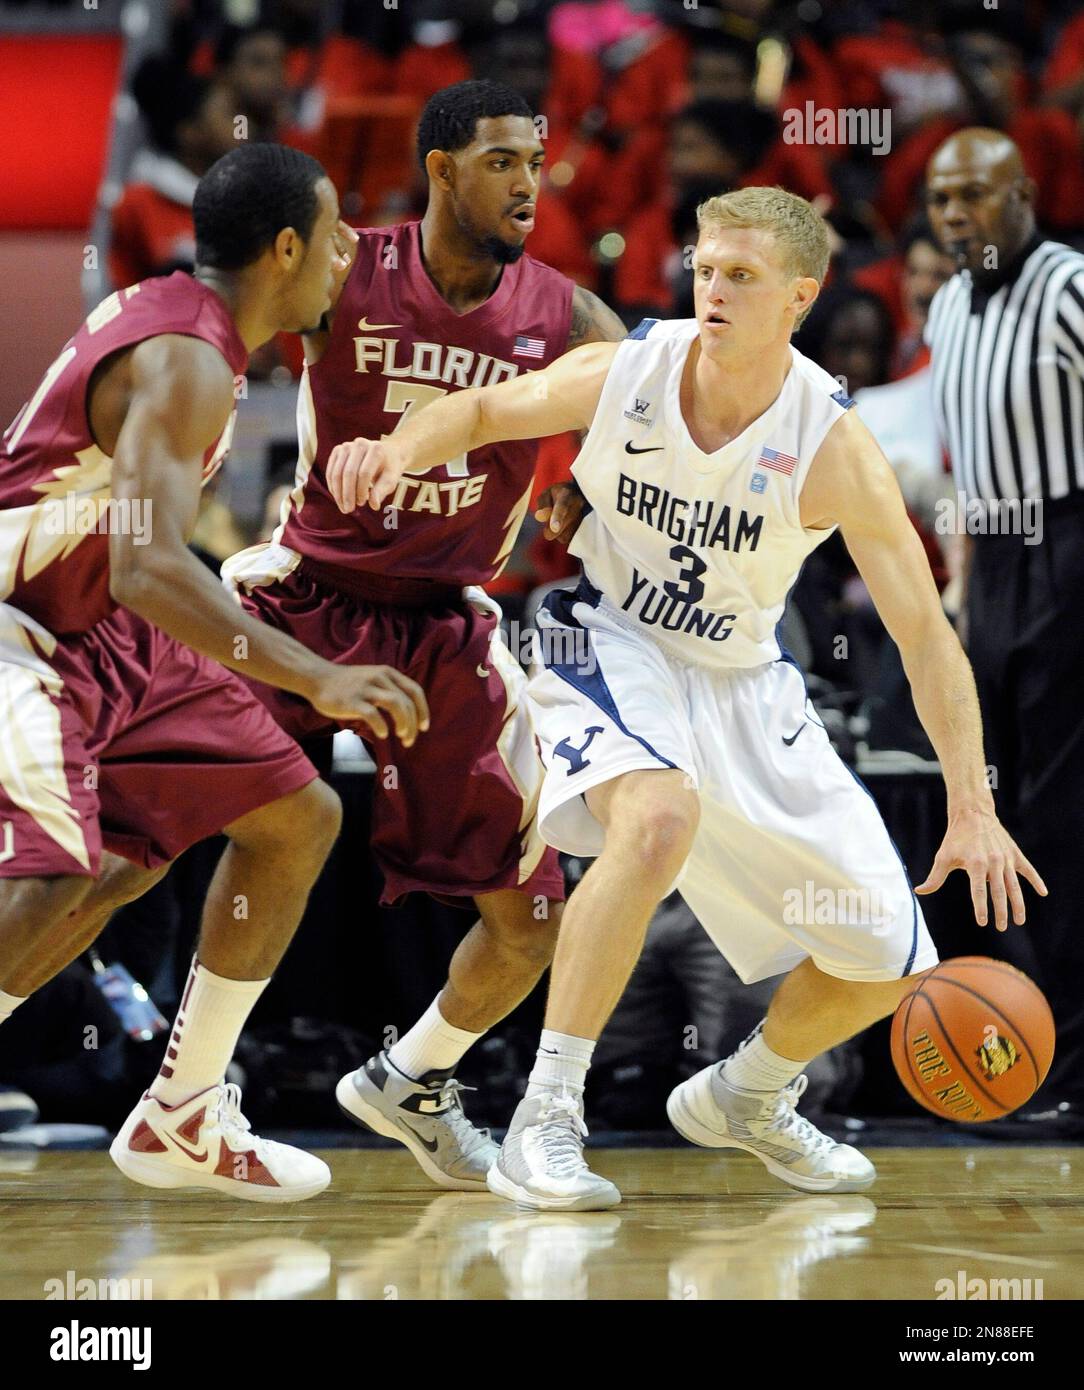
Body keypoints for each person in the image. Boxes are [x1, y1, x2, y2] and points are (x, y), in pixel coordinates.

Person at [326, 185, 1046, 1210]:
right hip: (605, 636)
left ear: (799, 297)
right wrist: (397, 449)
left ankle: (746, 1095)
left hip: (742, 678)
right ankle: (546, 1115)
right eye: (705, 268)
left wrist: (970, 805)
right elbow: (484, 409)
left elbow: (927, 637)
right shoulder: (633, 369)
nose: (712, 289)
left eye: (740, 276)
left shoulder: (832, 445)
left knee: (886, 954)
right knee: (657, 815)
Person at [0, 143, 427, 1202]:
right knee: (57, 869)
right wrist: (315, 673)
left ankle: (181, 1112)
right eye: (334, 237)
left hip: (104, 622)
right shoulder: (185, 357)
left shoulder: (196, 323)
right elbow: (150, 564)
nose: (346, 258)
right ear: (287, 246)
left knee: (290, 816)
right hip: (23, 620)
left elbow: (136, 565)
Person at [219, 80, 625, 1190]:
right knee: (141, 822)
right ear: (441, 170)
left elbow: (647, 399)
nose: (529, 185)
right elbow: (217, 324)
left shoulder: (565, 311)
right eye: (502, 162)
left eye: (537, 162)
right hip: (303, 595)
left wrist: (585, 484)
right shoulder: (346, 267)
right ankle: (184, 1083)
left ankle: (411, 1074)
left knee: (531, 915)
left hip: (444, 626)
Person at [924, 127, 1084, 1126]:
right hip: (989, 562)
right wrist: (956, 573)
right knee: (994, 806)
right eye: (941, 200)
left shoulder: (1068, 284)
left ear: (1021, 195)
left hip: (1070, 546)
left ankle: (1072, 1054)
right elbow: (960, 453)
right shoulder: (946, 301)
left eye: (974, 198)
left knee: (1064, 812)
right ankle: (1015, 1038)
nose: (953, 218)